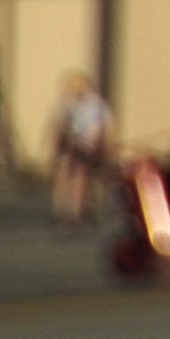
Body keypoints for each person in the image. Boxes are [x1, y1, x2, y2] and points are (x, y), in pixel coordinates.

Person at [48, 72, 113, 225]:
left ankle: (80, 211)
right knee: (65, 178)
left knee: (83, 179)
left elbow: (106, 125)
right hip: (71, 146)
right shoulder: (68, 104)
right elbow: (59, 125)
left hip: (89, 145)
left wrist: (104, 145)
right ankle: (64, 211)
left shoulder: (96, 104)